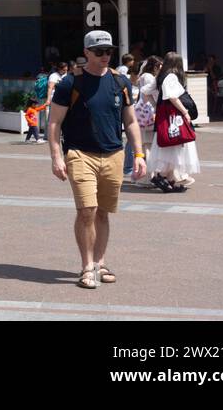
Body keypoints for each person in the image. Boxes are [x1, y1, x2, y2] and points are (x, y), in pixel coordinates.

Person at [48, 30, 146, 290]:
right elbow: (54, 123)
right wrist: (56, 157)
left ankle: (101, 262)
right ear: (87, 53)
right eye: (99, 52)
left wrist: (138, 154)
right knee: (86, 211)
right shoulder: (70, 83)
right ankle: (87, 266)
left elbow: (131, 121)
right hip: (80, 154)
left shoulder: (120, 82)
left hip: (113, 154)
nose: (105, 56)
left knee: (102, 212)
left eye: (109, 51)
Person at [148, 52, 200, 192]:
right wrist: (185, 112)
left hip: (165, 118)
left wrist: (156, 107)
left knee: (169, 147)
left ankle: (169, 180)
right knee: (175, 146)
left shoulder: (160, 76)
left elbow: (146, 92)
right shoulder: (171, 77)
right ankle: (162, 177)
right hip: (174, 118)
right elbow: (172, 97)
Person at [131, 56, 162, 185]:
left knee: (144, 146)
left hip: (142, 113)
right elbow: (150, 93)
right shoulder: (149, 77)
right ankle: (148, 177)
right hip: (148, 114)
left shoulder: (143, 76)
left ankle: (142, 176)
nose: (161, 68)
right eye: (159, 65)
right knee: (148, 147)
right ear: (154, 65)